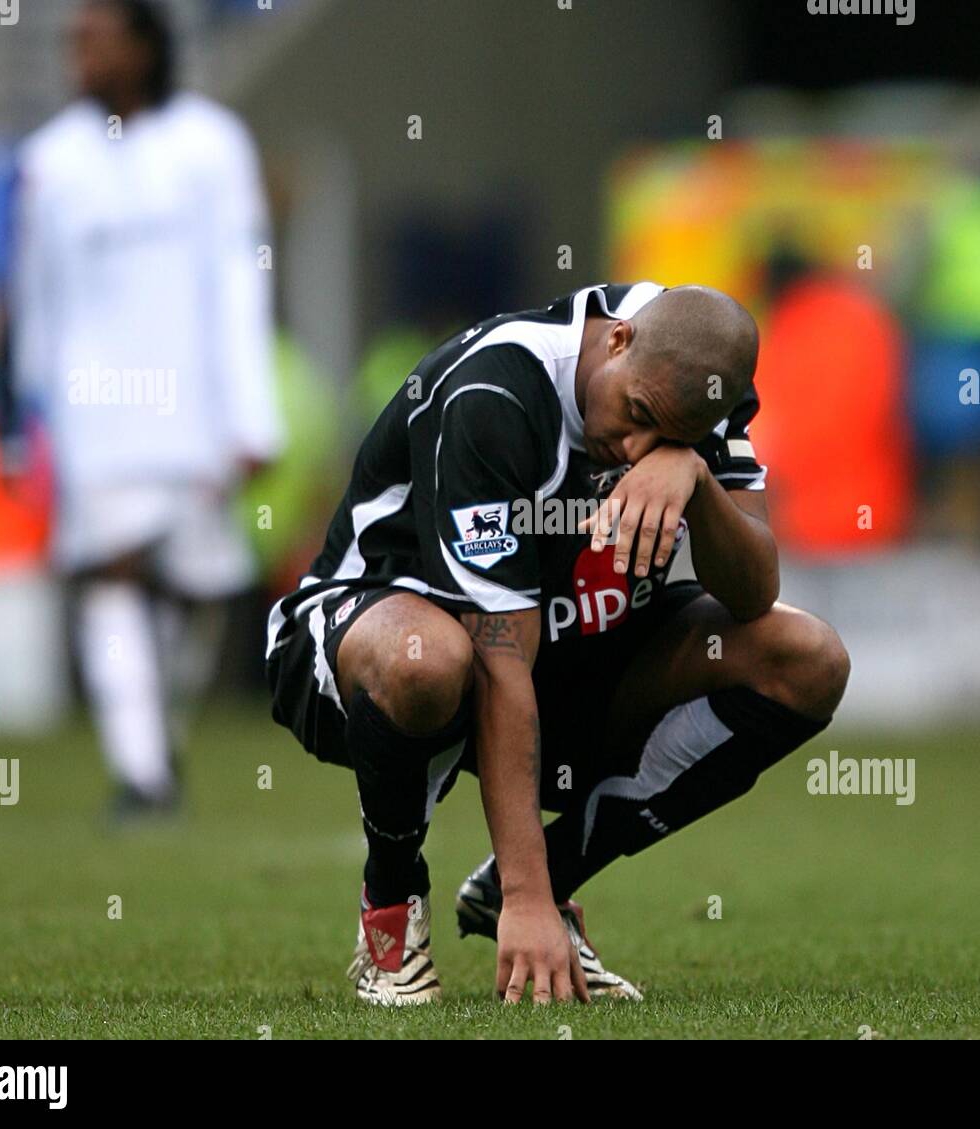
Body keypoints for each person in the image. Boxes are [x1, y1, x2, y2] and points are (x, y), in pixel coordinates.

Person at [266, 282, 849, 1004]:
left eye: (665, 435)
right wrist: (528, 894)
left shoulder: (702, 371)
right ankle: (391, 910)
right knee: (434, 658)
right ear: (617, 340)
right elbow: (499, 657)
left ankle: (538, 882)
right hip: (367, 641)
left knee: (808, 658)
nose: (635, 448)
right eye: (636, 414)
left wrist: (696, 478)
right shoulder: (497, 394)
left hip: (560, 655)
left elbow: (753, 590)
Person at [8, 0, 282, 818]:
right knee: (110, 575)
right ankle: (142, 773)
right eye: (71, 43)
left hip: (193, 410)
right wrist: (29, 416)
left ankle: (153, 741)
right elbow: (37, 296)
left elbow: (240, 281)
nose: (78, 57)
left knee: (187, 586)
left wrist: (252, 414)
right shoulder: (48, 159)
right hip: (95, 416)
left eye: (94, 40)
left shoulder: (212, 144)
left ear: (144, 44)